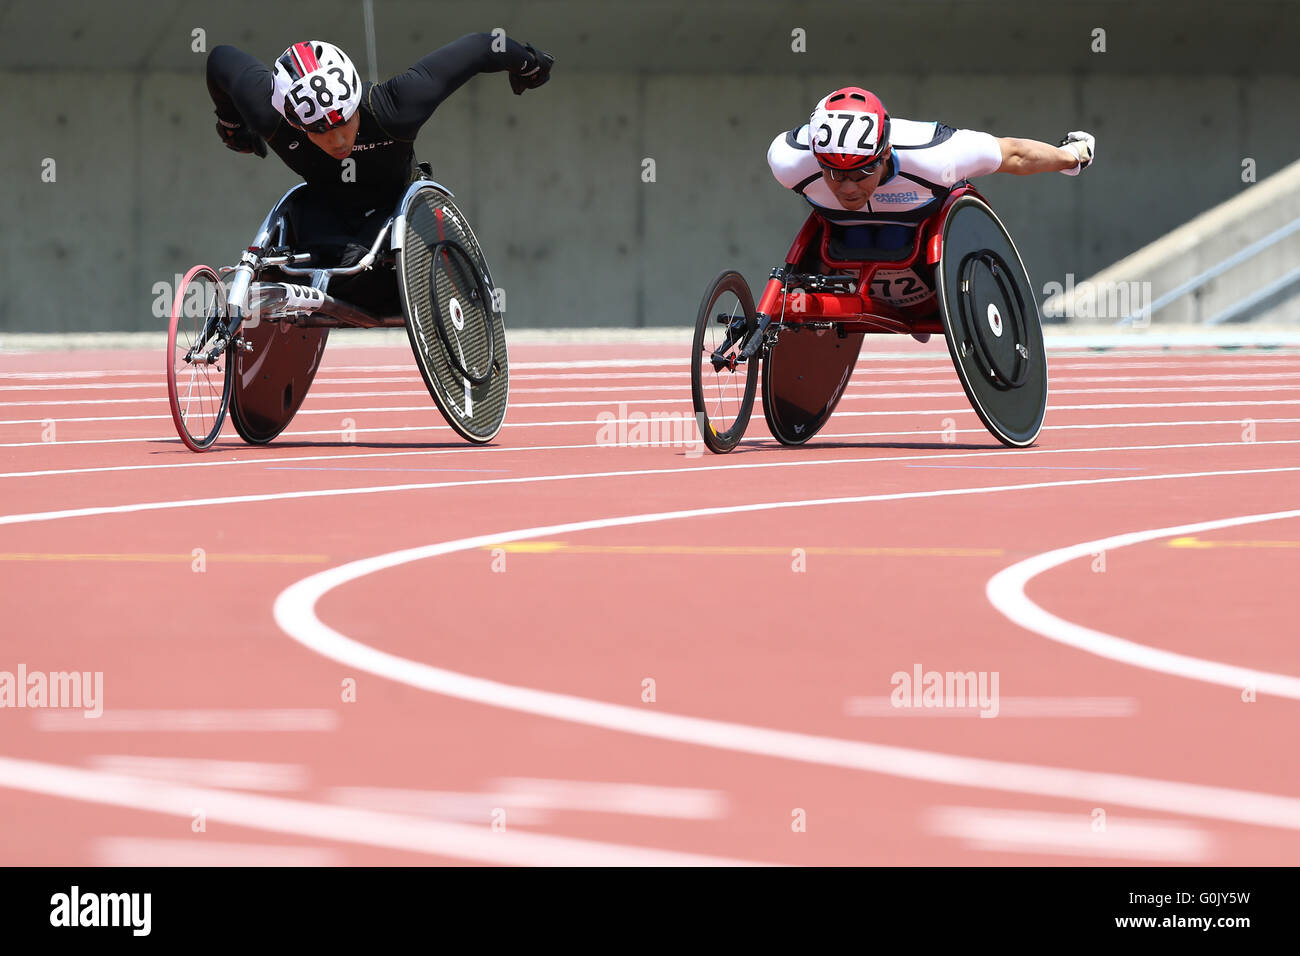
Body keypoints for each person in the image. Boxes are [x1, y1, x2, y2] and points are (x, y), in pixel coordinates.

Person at [206, 34, 553, 314]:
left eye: (344, 122)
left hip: (395, 214)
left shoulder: (394, 107)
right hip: (325, 215)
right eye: (319, 132)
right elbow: (219, 58)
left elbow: (482, 47)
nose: (338, 140)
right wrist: (232, 124)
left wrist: (528, 62)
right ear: (295, 122)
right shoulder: (272, 117)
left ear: (355, 99)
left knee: (357, 267)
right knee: (295, 245)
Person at [767, 87, 1093, 338]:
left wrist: (1071, 156)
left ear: (885, 155)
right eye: (834, 174)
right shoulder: (789, 162)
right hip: (846, 249)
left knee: (893, 234)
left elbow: (1016, 155)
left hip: (922, 254)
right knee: (855, 234)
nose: (848, 188)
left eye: (862, 172)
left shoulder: (936, 155)